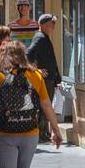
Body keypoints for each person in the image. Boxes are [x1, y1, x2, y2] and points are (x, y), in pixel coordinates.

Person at [26, 14, 62, 144]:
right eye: (52, 24)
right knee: (44, 106)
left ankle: (43, 133)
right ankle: (41, 134)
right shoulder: (40, 38)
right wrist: (37, 70)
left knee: (45, 106)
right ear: (45, 25)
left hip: (49, 79)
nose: (53, 27)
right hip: (45, 80)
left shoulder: (43, 37)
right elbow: (28, 55)